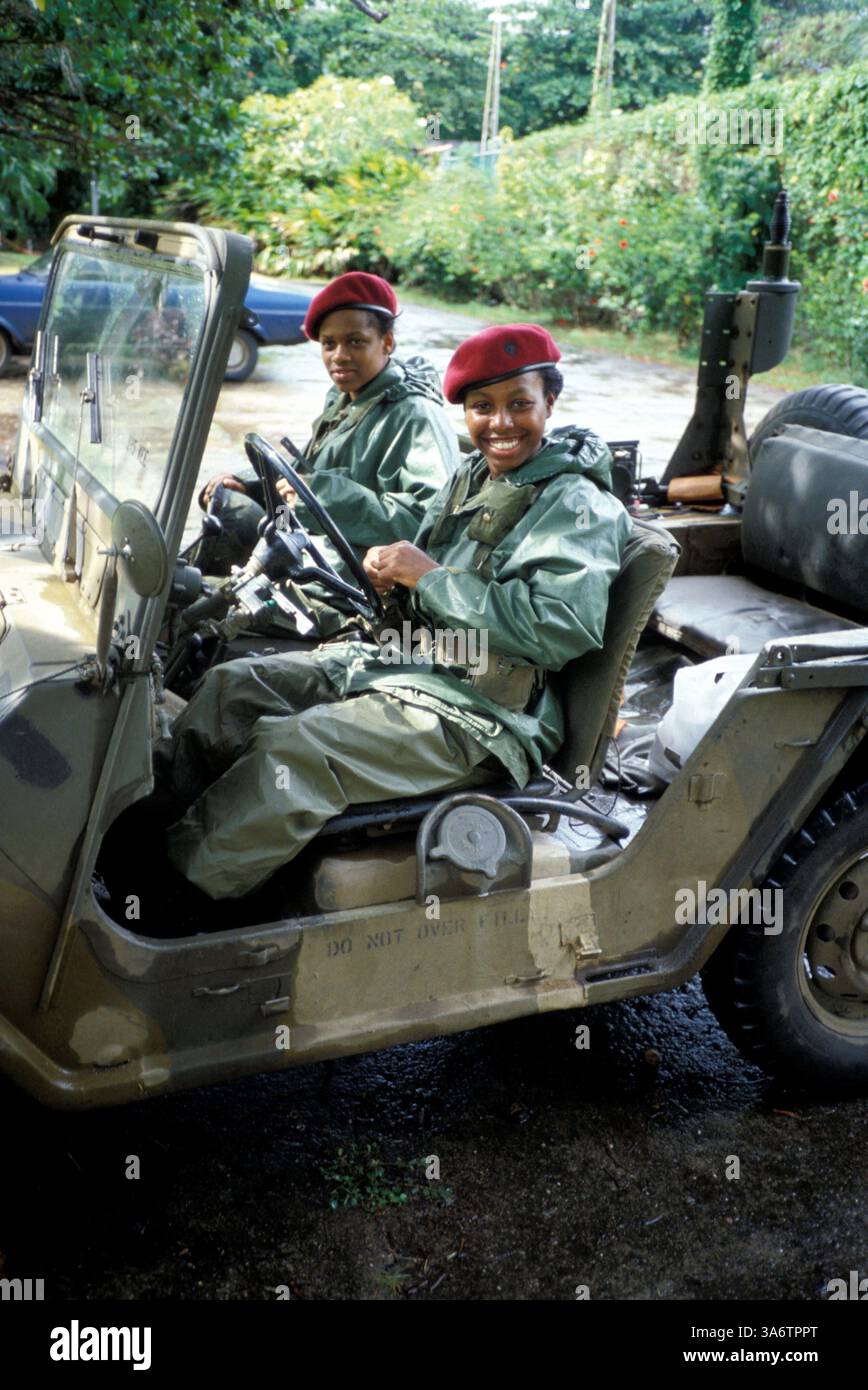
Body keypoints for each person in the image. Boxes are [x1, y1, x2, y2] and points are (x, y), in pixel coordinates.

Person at [156, 323, 633, 905]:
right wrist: (393, 580)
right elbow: (423, 584)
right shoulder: (474, 477)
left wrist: (428, 577)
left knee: (293, 750)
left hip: (484, 716)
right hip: (410, 664)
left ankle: (179, 902)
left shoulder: (579, 505)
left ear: (549, 404)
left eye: (520, 405)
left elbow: (556, 629)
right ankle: (145, 836)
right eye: (483, 407)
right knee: (233, 688)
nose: (501, 424)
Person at [194, 271, 460, 630]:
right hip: (314, 552)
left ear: (387, 342)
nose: (339, 356)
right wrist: (248, 481)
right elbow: (308, 467)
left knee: (209, 616)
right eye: (329, 343)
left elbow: (428, 523)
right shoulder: (347, 399)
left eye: (355, 342)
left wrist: (324, 494)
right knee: (213, 538)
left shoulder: (414, 416)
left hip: (358, 585)